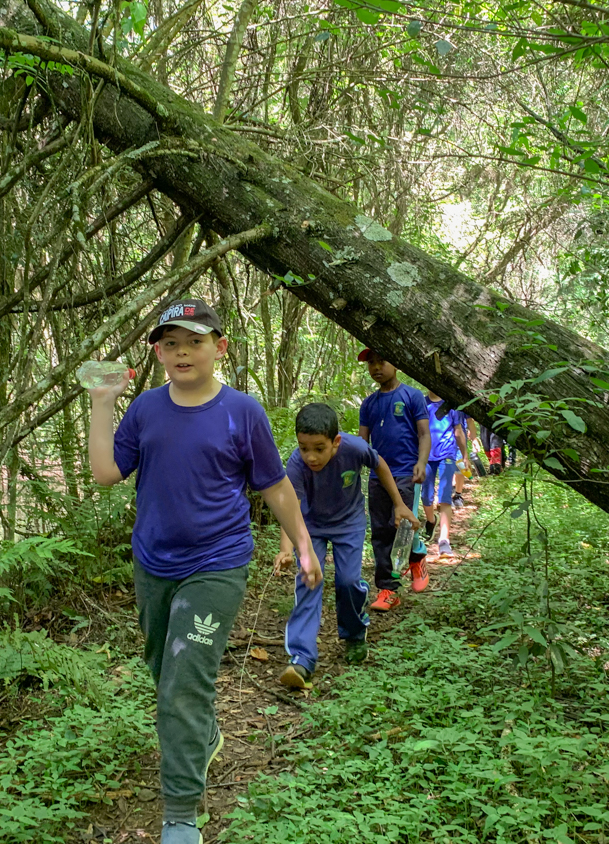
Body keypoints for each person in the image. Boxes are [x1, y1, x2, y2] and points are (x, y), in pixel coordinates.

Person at [87, 298, 322, 844]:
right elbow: (106, 473)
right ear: (158, 353)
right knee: (164, 674)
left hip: (218, 563)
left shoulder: (243, 412)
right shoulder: (145, 409)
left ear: (219, 348)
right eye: (170, 343)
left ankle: (180, 815)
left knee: (181, 687)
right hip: (153, 563)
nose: (182, 352)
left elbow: (274, 485)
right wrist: (103, 406)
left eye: (194, 341)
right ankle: (203, 733)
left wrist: (304, 545)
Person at [273, 403, 417, 687]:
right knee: (309, 580)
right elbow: (291, 507)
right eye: (304, 448)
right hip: (310, 526)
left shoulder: (354, 447)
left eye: (318, 448)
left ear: (335, 442)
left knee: (349, 581)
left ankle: (353, 636)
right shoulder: (296, 464)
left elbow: (381, 465)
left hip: (348, 523)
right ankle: (301, 659)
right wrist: (286, 548)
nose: (310, 456)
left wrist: (399, 504)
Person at [358, 349, 430, 608]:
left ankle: (417, 554)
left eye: (382, 361)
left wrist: (421, 463)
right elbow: (362, 442)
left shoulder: (411, 396)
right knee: (380, 531)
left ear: (395, 363)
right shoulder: (369, 404)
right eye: (371, 363)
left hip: (406, 473)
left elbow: (423, 434)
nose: (376, 367)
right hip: (378, 475)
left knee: (402, 527)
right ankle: (388, 590)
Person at [421, 392, 468, 558]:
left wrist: (464, 455)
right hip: (426, 456)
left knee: (444, 497)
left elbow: (458, 431)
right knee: (426, 497)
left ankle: (444, 540)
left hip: (446, 454)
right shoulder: (421, 403)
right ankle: (431, 521)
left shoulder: (451, 405)